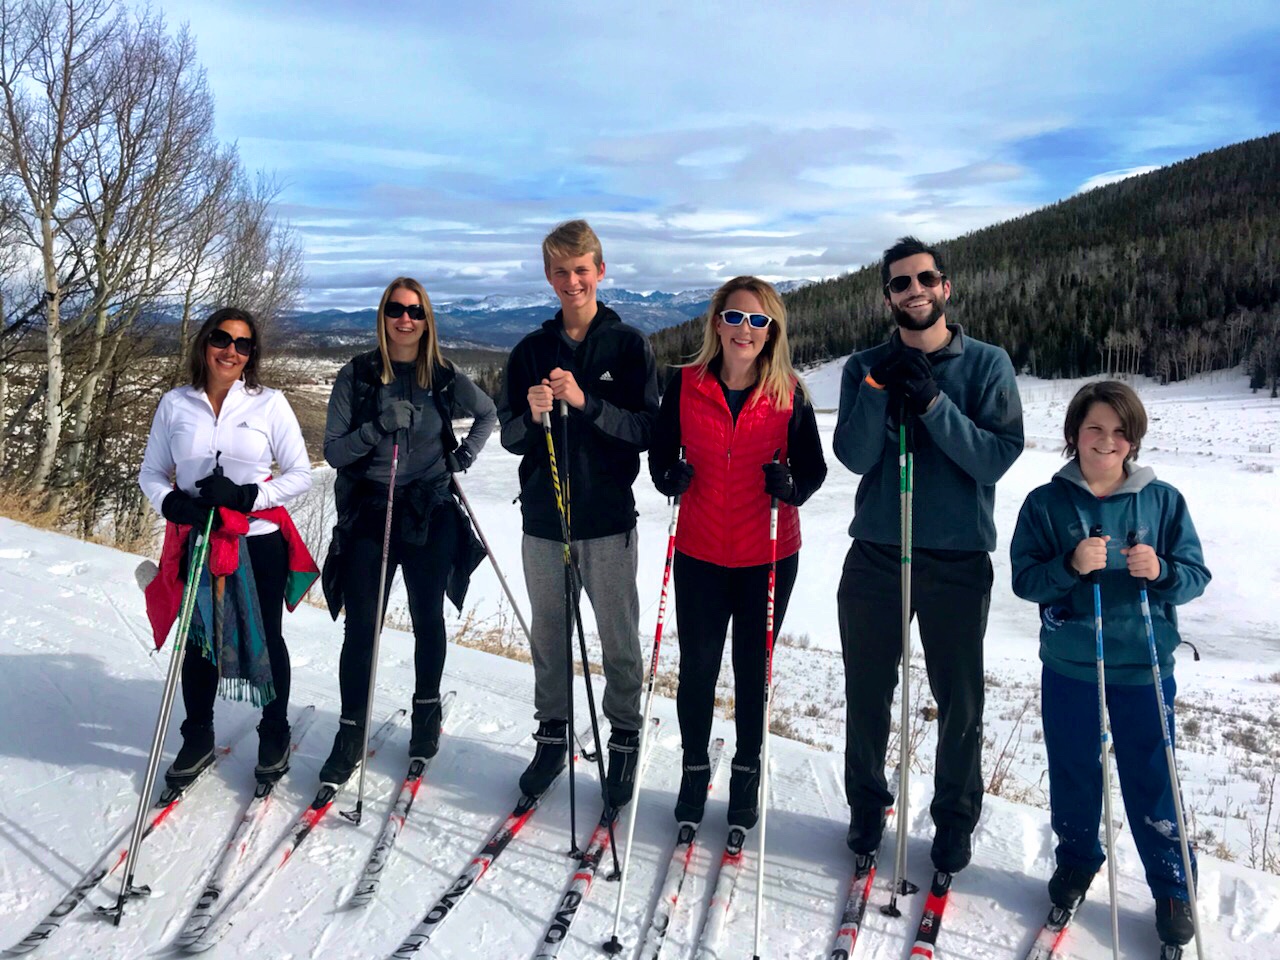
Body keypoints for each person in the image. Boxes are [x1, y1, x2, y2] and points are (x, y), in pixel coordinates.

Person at [833, 236, 1024, 875]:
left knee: (960, 699)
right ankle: (866, 806)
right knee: (866, 690)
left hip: (956, 558)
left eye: (924, 279)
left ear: (944, 287)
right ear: (887, 295)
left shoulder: (988, 364)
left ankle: (954, 819)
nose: (913, 290)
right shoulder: (864, 364)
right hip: (879, 552)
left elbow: (995, 456)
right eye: (899, 283)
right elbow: (856, 456)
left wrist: (936, 405)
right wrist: (883, 389)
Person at [1010, 380, 1208, 948]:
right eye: (1095, 428)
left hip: (1143, 666)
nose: (1107, 441)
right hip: (1071, 663)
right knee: (1074, 768)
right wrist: (1069, 565)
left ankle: (1172, 882)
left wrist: (1163, 570)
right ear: (1074, 434)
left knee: (1152, 777)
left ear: (1133, 440)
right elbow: (1026, 580)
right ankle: (1077, 857)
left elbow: (1195, 575)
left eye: (1120, 431)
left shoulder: (1162, 499)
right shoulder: (1047, 503)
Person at [648, 276, 826, 828]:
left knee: (754, 671)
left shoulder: (789, 392)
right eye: (734, 317)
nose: (743, 329)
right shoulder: (684, 385)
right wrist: (667, 476)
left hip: (767, 554)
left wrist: (791, 488)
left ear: (771, 331)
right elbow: (659, 455)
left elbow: (813, 469)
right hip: (700, 551)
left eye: (757, 320)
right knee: (698, 669)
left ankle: (747, 772)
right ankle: (695, 769)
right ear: (716, 323)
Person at [496, 219, 659, 808]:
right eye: (560, 271)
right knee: (548, 635)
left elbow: (645, 430)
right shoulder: (529, 351)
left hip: (609, 520)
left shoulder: (628, 345)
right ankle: (552, 734)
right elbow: (511, 437)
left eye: (581, 270)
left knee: (617, 637)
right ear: (548, 276)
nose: (571, 281)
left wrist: (586, 403)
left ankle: (623, 735)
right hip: (543, 519)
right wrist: (535, 417)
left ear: (600, 271)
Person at [319, 277, 496, 783]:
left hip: (429, 507)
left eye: (415, 311)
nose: (405, 319)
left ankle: (426, 714)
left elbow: (485, 413)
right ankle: (351, 729)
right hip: (371, 509)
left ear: (426, 320)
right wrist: (377, 428)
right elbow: (334, 451)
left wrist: (462, 456)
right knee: (362, 626)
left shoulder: (441, 375)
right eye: (396, 309)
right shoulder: (356, 376)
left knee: (427, 616)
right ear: (383, 315)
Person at [139, 307, 315, 788]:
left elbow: (301, 474)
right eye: (222, 339)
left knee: (266, 637)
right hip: (198, 538)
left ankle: (274, 732)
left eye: (242, 344)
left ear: (251, 354)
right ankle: (197, 737)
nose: (231, 351)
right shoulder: (175, 404)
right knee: (200, 644)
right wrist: (173, 503)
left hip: (256, 539)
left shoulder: (268, 403)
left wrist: (247, 496)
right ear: (204, 343)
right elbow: (151, 473)